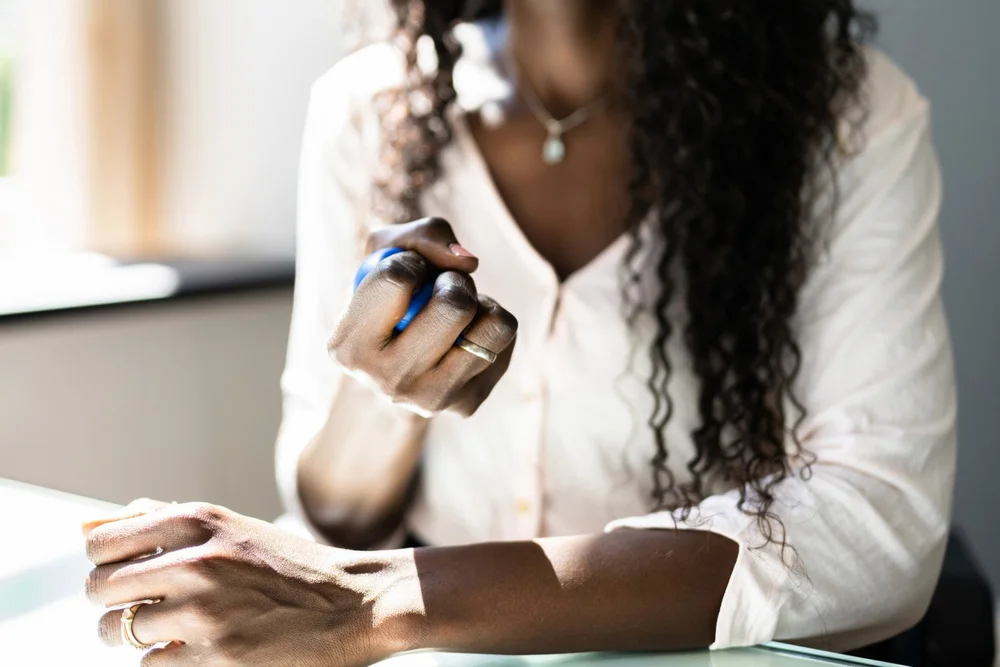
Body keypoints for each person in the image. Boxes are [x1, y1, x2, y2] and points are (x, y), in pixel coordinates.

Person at [82, 1, 957, 665]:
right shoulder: (369, 109)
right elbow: (330, 509)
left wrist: (380, 599)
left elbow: (880, 525)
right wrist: (389, 394)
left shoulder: (843, 117)